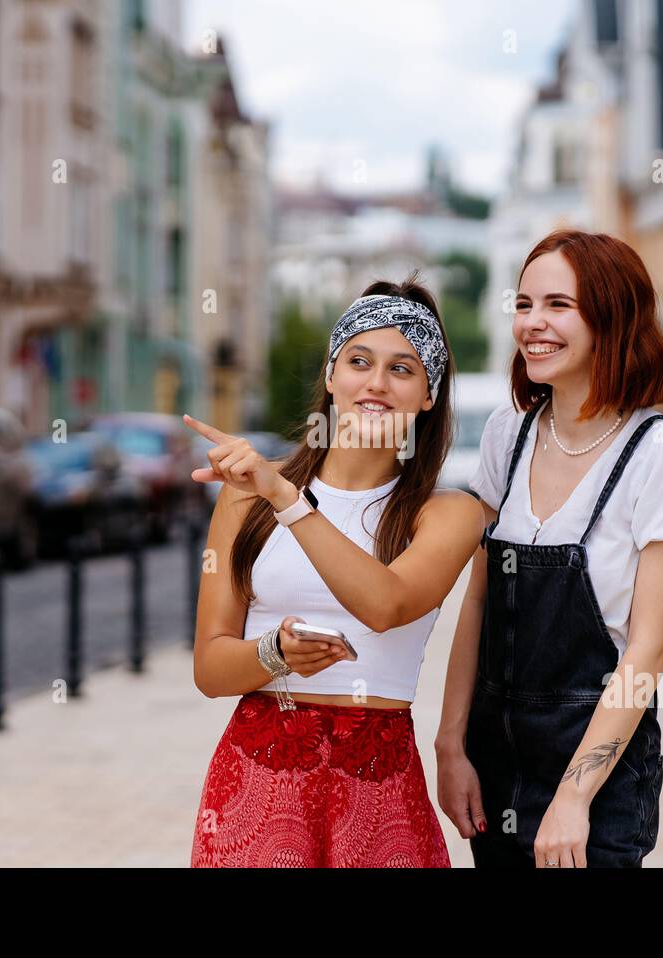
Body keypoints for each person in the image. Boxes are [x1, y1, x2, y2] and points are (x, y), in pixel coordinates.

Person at [435, 229, 663, 868]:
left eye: (558, 305)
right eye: (524, 304)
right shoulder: (511, 432)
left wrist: (573, 796)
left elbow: (649, 649)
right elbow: (476, 601)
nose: (532, 323)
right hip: (495, 763)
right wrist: (451, 744)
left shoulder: (662, 454)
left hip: (599, 776)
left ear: (611, 318)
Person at [187, 275, 483, 868]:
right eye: (359, 360)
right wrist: (274, 654)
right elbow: (210, 670)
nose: (376, 383)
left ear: (429, 393)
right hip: (257, 781)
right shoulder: (246, 498)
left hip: (380, 789)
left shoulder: (449, 514)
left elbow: (386, 604)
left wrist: (289, 499)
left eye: (403, 369)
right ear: (330, 375)